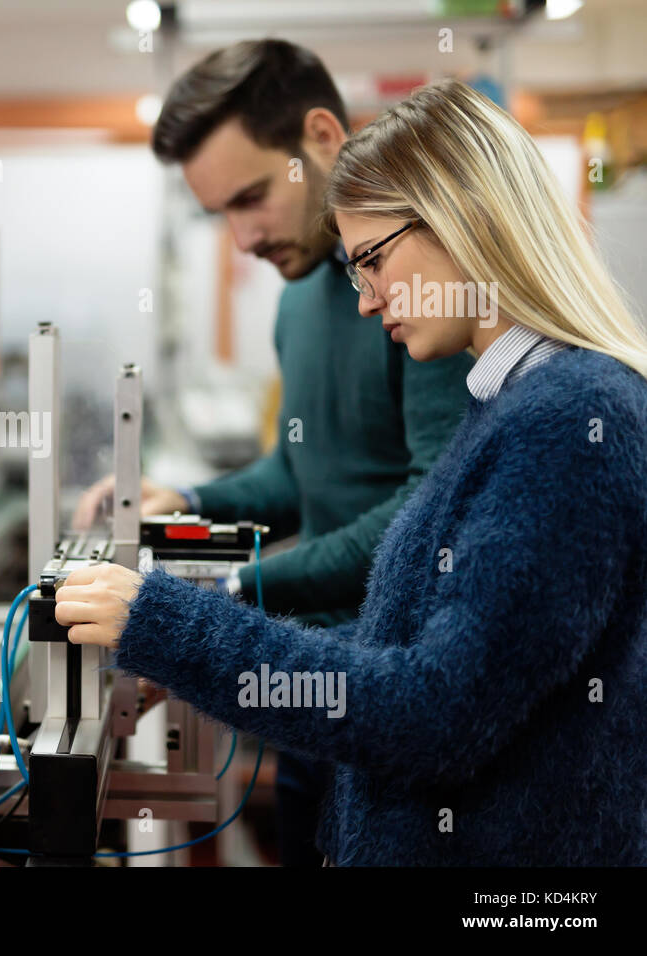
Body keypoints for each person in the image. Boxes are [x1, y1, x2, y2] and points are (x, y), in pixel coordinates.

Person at [55, 77, 647, 865]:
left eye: (371, 260)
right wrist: (192, 655)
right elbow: (407, 656)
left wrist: (176, 626)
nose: (365, 302)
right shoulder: (510, 405)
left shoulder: (568, 422)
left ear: (464, 215)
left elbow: (433, 715)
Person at [74, 39, 474, 866]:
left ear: (323, 136)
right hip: (310, 689)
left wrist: (225, 593)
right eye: (221, 211)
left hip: (393, 700)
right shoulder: (300, 301)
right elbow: (300, 472)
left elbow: (428, 507)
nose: (244, 237)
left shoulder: (419, 291)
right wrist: (185, 502)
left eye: (252, 196)